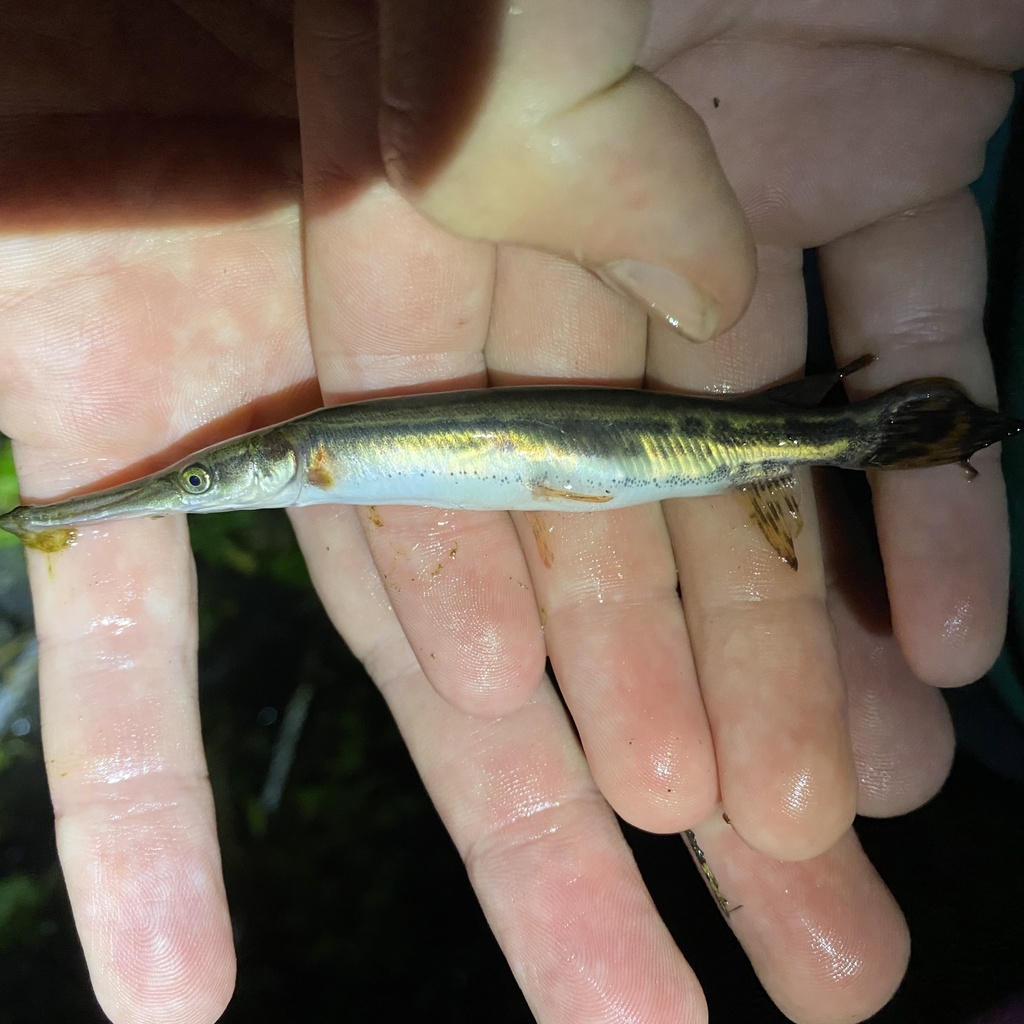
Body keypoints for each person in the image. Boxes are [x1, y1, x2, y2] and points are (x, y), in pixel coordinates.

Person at [1, 2, 1020, 1022]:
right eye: (195, 484)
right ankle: (909, 431)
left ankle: (906, 430)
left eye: (202, 484)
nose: (193, 489)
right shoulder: (317, 452)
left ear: (288, 463)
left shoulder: (316, 450)